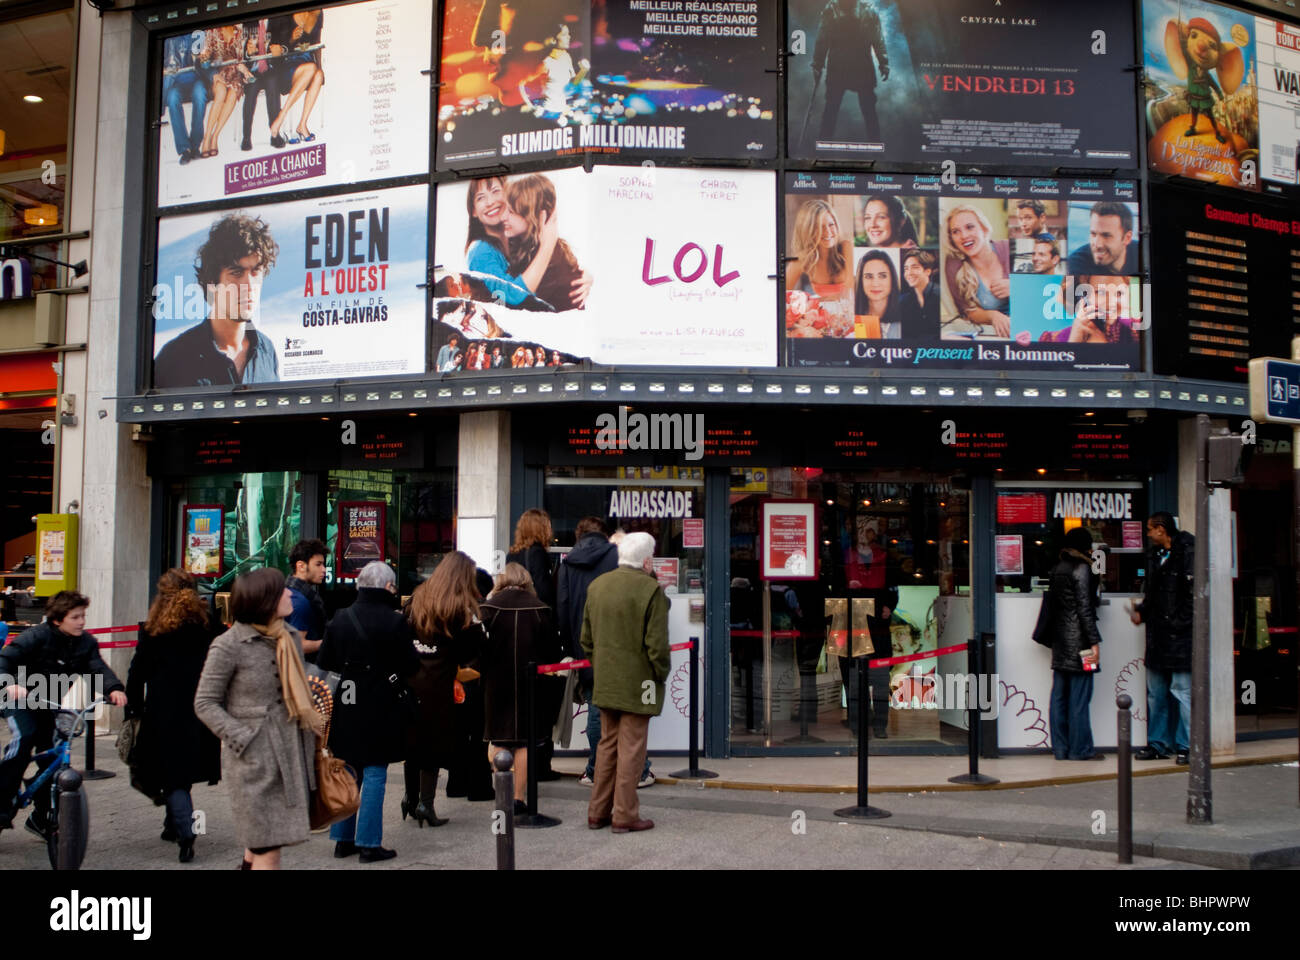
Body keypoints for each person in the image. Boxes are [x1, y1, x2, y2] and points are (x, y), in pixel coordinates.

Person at [194, 567, 323, 870]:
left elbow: (297, 686)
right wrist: (243, 738)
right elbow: (205, 702)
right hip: (254, 763)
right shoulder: (229, 645)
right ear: (265, 600)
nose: (290, 593)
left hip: (292, 757)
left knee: (259, 846)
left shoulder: (289, 636)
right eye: (282, 591)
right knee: (268, 847)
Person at [0, 591, 128, 836]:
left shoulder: (85, 642)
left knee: (56, 755)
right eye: (75, 617)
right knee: (24, 739)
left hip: (49, 702)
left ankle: (41, 815)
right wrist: (8, 683)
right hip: (18, 699)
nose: (81, 621)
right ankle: (1, 803)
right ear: (58, 620)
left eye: (83, 616)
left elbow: (97, 668)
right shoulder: (35, 636)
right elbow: (4, 660)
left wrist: (114, 689)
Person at [317, 561, 418, 862]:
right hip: (381, 706)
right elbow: (411, 665)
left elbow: (324, 664)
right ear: (388, 587)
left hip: (346, 705)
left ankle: (342, 840)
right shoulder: (395, 621)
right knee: (375, 771)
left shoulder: (340, 618)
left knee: (347, 771)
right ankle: (369, 843)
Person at [124, 570, 222, 863]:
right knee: (181, 768)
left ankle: (185, 831)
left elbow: (137, 670)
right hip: (199, 707)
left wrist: (132, 707)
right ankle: (172, 825)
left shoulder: (155, 626)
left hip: (162, 709)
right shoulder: (206, 622)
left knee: (171, 774)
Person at [582, 532, 670, 833]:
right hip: (640, 682)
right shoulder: (651, 590)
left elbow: (586, 640)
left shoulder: (597, 586)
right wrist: (660, 674)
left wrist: (602, 665)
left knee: (607, 744)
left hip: (606, 681)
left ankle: (597, 812)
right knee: (632, 747)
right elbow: (657, 646)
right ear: (647, 561)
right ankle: (625, 815)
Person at [558, 517, 654, 789]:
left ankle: (596, 769)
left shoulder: (568, 563)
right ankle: (638, 770)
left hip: (585, 646)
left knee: (596, 706)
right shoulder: (618, 556)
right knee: (629, 710)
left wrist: (571, 647)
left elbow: (563, 609)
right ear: (606, 534)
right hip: (622, 644)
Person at [404, 552, 488, 817]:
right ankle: (425, 805)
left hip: (412, 680)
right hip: (440, 684)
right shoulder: (458, 608)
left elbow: (403, 632)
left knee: (413, 744)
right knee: (433, 746)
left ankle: (410, 798)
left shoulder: (419, 596)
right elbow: (468, 653)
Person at [154, 213, 280, 387]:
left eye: (255, 272)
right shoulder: (174, 358)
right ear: (212, 283)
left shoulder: (268, 352)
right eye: (236, 273)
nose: (249, 286)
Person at [480, 563, 557, 814]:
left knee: (499, 737)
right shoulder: (540, 609)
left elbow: (478, 649)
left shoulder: (488, 609)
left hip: (495, 683)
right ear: (526, 580)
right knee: (525, 741)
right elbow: (551, 652)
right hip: (531, 683)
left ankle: (502, 796)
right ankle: (518, 797)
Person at [464, 176, 591, 309]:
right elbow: (510, 297)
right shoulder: (481, 250)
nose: (490, 202)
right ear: (473, 211)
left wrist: (581, 276)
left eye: (495, 191)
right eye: (480, 197)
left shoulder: (518, 241)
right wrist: (547, 246)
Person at [1130, 512, 1195, 765]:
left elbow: (1193, 597)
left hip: (1179, 636)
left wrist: (1176, 622)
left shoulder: (1188, 551)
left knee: (1182, 692)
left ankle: (1186, 745)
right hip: (1159, 636)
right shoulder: (1156, 555)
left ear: (1161, 529)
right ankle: (1158, 744)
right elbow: (1154, 593)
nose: (1147, 533)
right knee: (1156, 694)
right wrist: (1143, 613)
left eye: (1149, 529)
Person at [507, 508, 562, 780]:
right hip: (540, 639)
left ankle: (522, 764)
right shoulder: (538, 553)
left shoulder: (512, 554)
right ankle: (541, 765)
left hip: (516, 637)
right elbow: (545, 596)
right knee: (543, 702)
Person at [1042, 527, 1105, 761]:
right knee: (1080, 697)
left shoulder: (1058, 568)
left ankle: (1060, 748)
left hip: (1060, 642)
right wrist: (1094, 641)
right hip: (1082, 645)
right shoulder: (1082, 569)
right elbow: (1085, 608)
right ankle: (1081, 750)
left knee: (1059, 696)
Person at [502, 174, 590, 312]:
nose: (503, 217)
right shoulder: (522, 243)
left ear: (536, 217)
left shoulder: (552, 261)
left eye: (511, 212)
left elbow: (512, 305)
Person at [812, 0, 889, 145]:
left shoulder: (866, 10)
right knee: (832, 109)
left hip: (857, 66)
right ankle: (824, 144)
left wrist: (884, 63)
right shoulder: (833, 9)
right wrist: (817, 63)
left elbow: (877, 39)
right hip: (842, 66)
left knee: (865, 109)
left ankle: (875, 143)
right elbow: (822, 39)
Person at [943, 204, 1011, 338]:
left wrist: (1018, 286)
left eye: (970, 227)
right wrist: (993, 316)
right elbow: (968, 311)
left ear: (984, 229)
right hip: (992, 336)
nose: (964, 236)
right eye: (956, 231)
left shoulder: (1008, 248)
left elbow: (1044, 288)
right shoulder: (954, 264)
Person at [268, 9, 324, 147]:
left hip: (307, 61)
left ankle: (302, 125)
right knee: (311, 68)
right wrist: (291, 38)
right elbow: (274, 45)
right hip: (287, 65)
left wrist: (320, 66)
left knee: (318, 74)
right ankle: (280, 119)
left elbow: (317, 42)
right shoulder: (283, 13)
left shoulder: (318, 12)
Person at [196, 24, 249, 160]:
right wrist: (209, 67)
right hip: (217, 74)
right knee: (221, 92)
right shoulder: (211, 31)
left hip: (235, 74)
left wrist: (244, 68)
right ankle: (206, 138)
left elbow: (241, 59)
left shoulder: (239, 32)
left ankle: (215, 136)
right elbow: (201, 60)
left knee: (232, 94)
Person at [518, 22, 589, 115]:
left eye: (568, 34)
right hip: (548, 111)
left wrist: (583, 71)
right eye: (564, 34)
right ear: (553, 39)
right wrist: (532, 105)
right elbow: (522, 83)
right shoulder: (546, 62)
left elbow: (574, 84)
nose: (569, 37)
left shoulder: (566, 56)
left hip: (563, 110)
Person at [161, 32, 210, 165]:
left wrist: (204, 59)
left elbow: (205, 61)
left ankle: (195, 145)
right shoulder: (168, 39)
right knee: (171, 98)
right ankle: (184, 149)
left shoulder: (198, 34)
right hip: (177, 83)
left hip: (196, 79)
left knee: (200, 95)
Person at [786, 198, 852, 296]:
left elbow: (854, 294)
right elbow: (780, 292)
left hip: (850, 311)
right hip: (822, 311)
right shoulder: (803, 258)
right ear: (808, 230)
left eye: (831, 224)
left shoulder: (847, 247)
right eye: (819, 227)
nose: (828, 232)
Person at [239, 17, 286, 152]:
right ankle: (246, 137)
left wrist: (281, 49)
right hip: (253, 70)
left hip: (270, 68)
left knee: (272, 84)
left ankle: (274, 133)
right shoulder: (248, 22)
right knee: (251, 92)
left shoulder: (277, 19)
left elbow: (285, 43)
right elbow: (240, 52)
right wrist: (248, 52)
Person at [1066, 201, 1138, 276]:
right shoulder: (1077, 264)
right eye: (1093, 234)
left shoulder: (1141, 254)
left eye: (1106, 235)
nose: (1097, 244)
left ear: (1127, 238)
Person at [285, 538, 328, 663]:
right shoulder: (299, 601)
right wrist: (327, 642)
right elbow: (298, 645)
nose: (324, 569)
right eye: (318, 564)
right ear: (301, 566)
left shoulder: (290, 592)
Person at [1069, 275, 1140, 344]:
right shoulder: (1065, 336)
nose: (1112, 304)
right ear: (1083, 297)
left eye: (1119, 293)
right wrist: (1074, 343)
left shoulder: (1136, 328)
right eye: (1101, 292)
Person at [853, 250, 902, 339]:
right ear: (861, 281)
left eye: (882, 276)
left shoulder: (906, 316)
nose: (875, 283)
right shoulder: (852, 319)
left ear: (892, 279)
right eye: (868, 276)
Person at [899, 249, 939, 337]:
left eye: (915, 267)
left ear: (927, 271)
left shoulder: (940, 296)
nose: (909, 273)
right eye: (906, 269)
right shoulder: (904, 301)